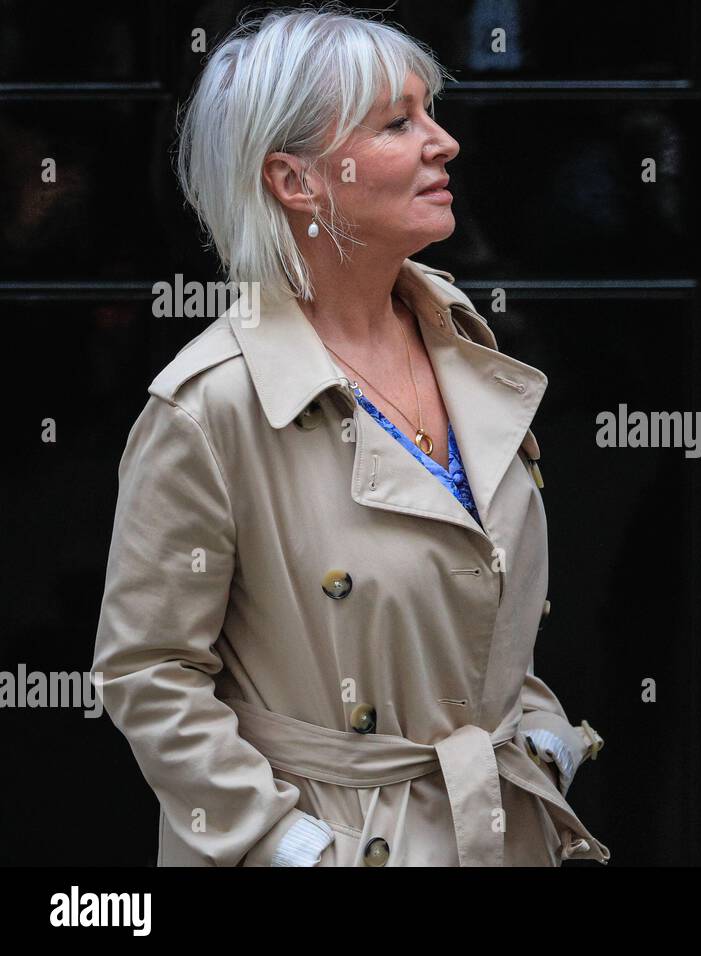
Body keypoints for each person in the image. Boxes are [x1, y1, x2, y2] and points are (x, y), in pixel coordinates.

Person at [92, 4, 608, 867]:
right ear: (296, 182)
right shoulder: (211, 405)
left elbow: (472, 604)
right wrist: (290, 845)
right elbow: (147, 673)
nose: (443, 142)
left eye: (429, 112)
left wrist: (539, 734)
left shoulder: (463, 342)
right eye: (398, 122)